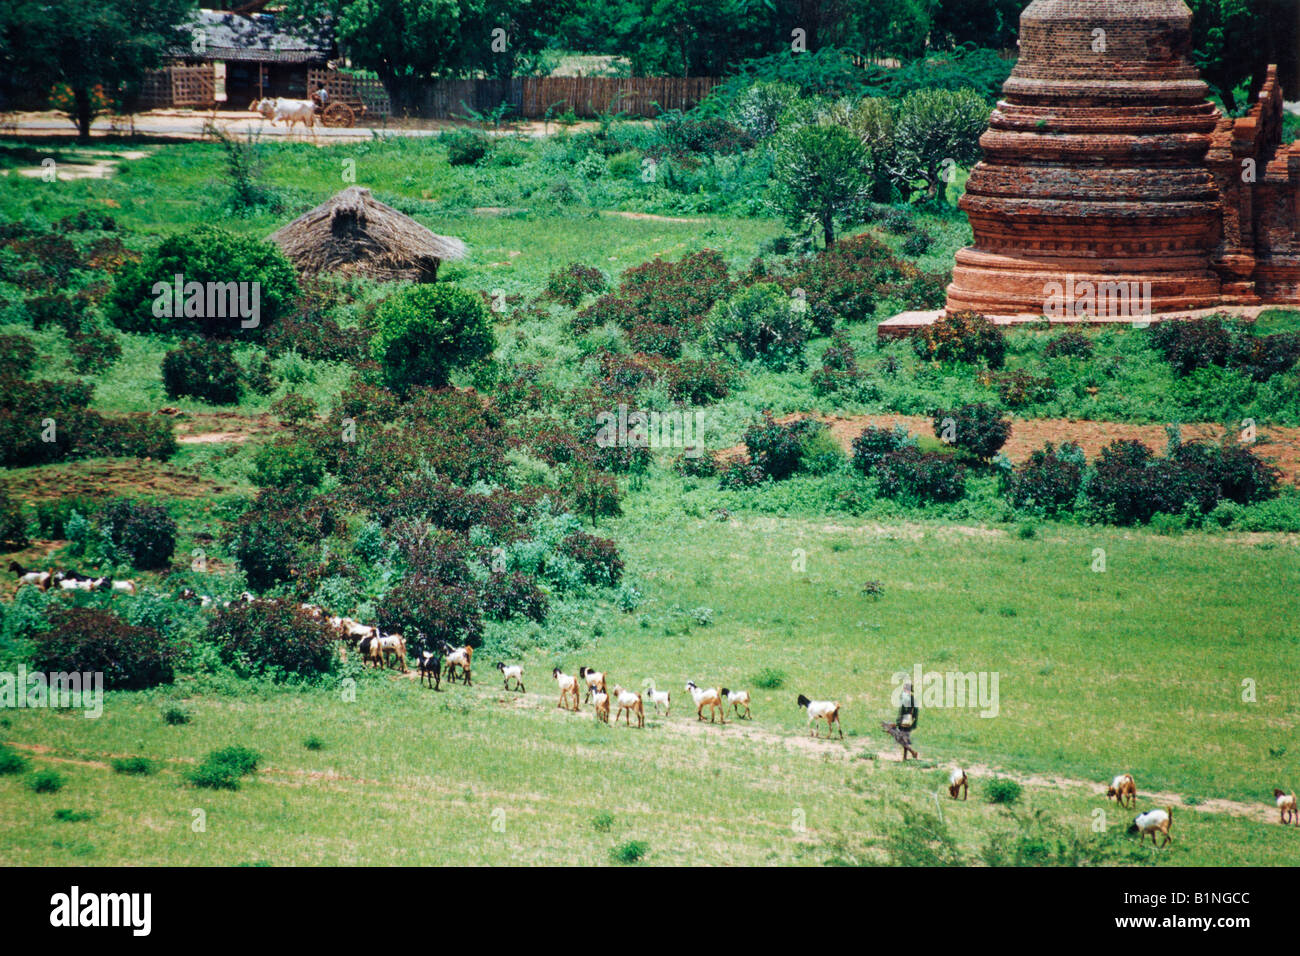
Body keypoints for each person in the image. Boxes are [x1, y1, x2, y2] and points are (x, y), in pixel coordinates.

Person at [881, 680, 919, 760]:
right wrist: (914, 723)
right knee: (904, 739)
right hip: (908, 722)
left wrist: (898, 723)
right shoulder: (911, 699)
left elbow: (904, 712)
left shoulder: (907, 699)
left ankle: (913, 752)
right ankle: (905, 757)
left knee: (900, 738)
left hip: (905, 722)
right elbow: (915, 713)